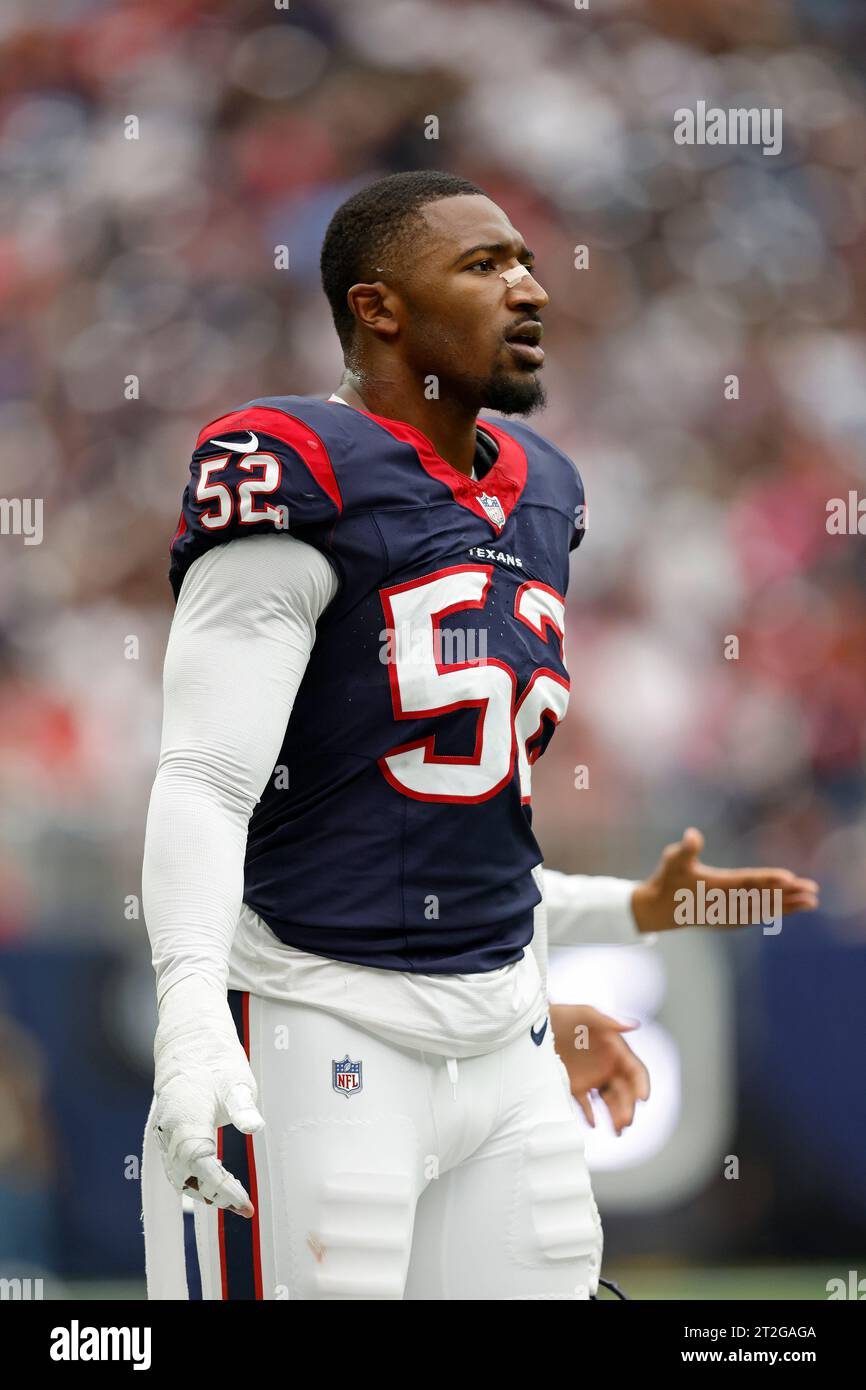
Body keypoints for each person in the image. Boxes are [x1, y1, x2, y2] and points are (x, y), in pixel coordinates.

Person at [141, 171, 817, 1301]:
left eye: (527, 263)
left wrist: (609, 923)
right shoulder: (292, 465)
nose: (528, 289)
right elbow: (207, 780)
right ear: (378, 308)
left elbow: (430, 819)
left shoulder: (542, 490)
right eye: (484, 265)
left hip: (501, 1048)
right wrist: (191, 1011)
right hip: (312, 1023)